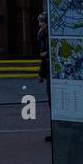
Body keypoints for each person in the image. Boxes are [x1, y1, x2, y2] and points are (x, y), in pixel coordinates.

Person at [36, 12, 51, 142]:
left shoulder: (49, 35)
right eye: (40, 22)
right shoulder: (43, 35)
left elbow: (45, 56)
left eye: (42, 22)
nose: (40, 25)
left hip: (53, 72)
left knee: (53, 100)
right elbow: (43, 56)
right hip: (48, 70)